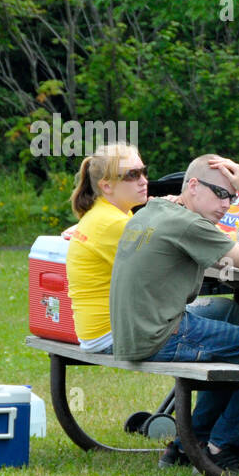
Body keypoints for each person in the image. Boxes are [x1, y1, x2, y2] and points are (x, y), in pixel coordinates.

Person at [109, 155, 239, 476]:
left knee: (229, 317)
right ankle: (225, 451)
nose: (227, 203)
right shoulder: (190, 225)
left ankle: (188, 443)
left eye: (232, 197)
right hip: (159, 335)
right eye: (221, 193)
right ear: (192, 186)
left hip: (130, 332)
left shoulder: (157, 209)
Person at [67, 143, 149, 354]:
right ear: (106, 186)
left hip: (99, 330)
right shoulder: (114, 222)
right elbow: (164, 275)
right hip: (113, 334)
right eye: (133, 174)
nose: (144, 181)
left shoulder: (110, 212)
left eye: (143, 172)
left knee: (226, 310)